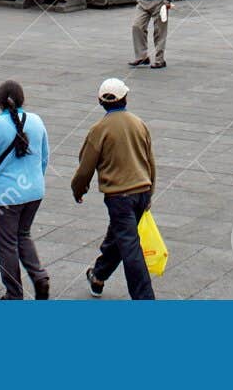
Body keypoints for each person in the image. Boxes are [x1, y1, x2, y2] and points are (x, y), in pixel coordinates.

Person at [73, 78, 156, 301]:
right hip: (142, 192)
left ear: (100, 102)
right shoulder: (139, 123)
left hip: (120, 196)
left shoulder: (99, 130)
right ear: (125, 98)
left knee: (130, 247)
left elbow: (85, 167)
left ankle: (144, 298)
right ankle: (98, 276)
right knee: (119, 237)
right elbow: (150, 161)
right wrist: (150, 192)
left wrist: (78, 189)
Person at [0, 80, 51, 300]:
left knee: (7, 243)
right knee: (23, 234)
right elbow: (44, 157)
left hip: (6, 195)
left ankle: (14, 293)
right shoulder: (36, 121)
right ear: (22, 99)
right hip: (34, 191)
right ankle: (39, 276)